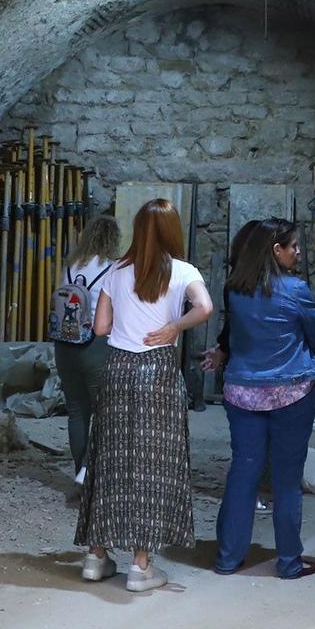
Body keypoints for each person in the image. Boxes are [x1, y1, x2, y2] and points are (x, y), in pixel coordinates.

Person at [75, 198, 213, 593]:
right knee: (153, 466)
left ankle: (95, 556)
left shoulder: (116, 271)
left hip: (118, 369)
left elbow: (100, 327)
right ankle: (140, 566)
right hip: (157, 371)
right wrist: (174, 326)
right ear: (173, 231)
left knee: (110, 457)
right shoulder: (184, 271)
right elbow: (204, 307)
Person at [205, 219, 315, 579]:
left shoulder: (234, 289)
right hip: (292, 392)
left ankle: (227, 558)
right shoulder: (296, 289)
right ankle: (288, 562)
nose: (298, 252)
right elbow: (314, 334)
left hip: (242, 393)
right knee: (287, 480)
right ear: (277, 251)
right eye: (293, 246)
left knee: (243, 472)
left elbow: (234, 334)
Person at [54, 214, 122, 480]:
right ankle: (92, 473)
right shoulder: (113, 269)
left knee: (76, 411)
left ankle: (79, 470)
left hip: (64, 344)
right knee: (103, 411)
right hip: (96, 345)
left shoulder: (70, 266)